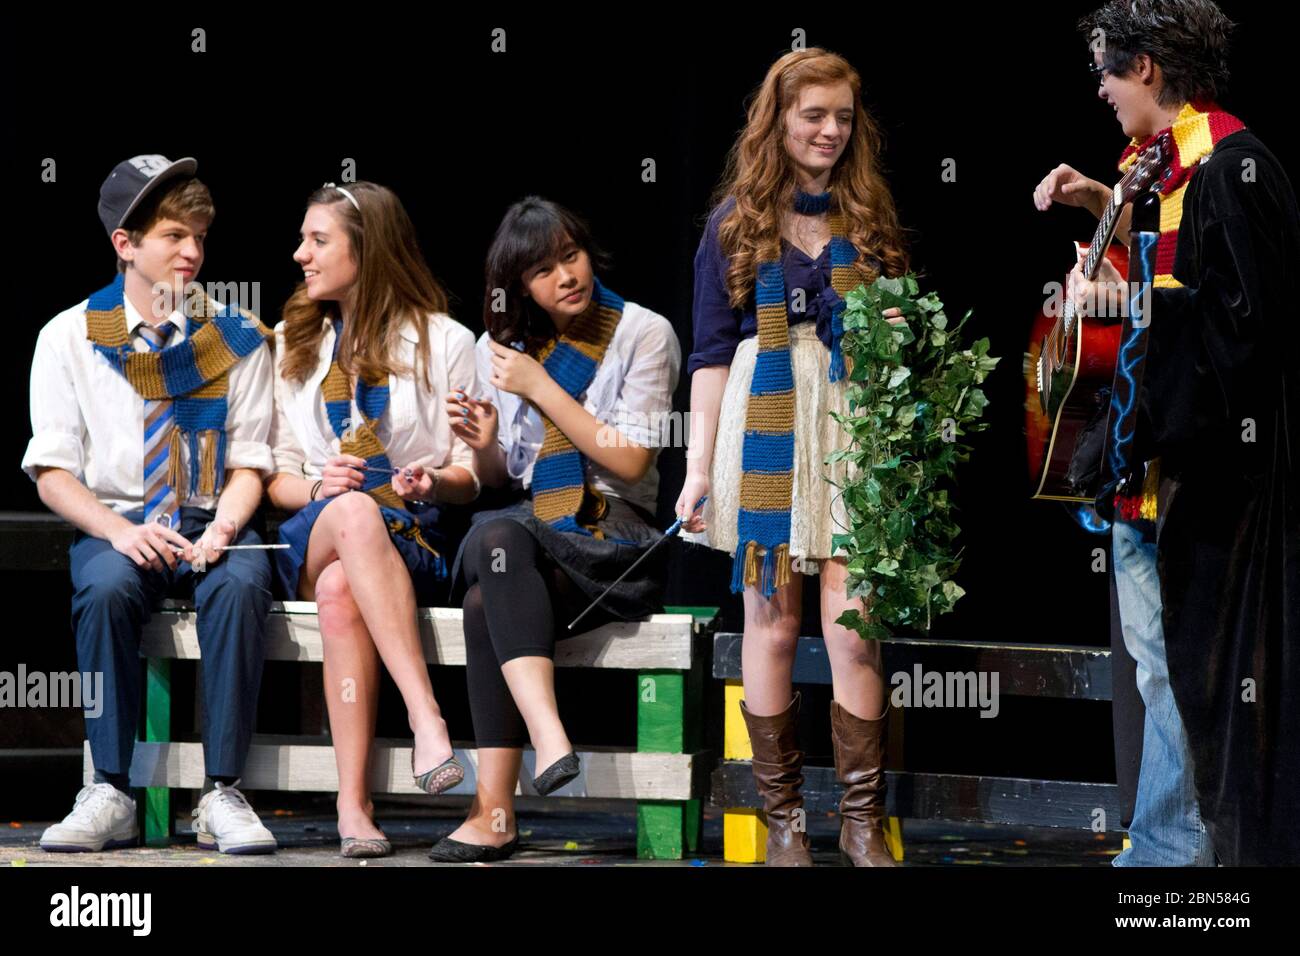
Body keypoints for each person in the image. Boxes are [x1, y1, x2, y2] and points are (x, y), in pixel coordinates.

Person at [1065, 0, 1300, 866]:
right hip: (1143, 460)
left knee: (1186, 669)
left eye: (1107, 71)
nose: (1101, 90)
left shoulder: (1233, 168)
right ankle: (1167, 845)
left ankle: (1173, 856)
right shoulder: (1152, 169)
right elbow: (1169, 275)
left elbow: (1243, 332)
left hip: (1201, 476)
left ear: (1149, 71)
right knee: (1158, 665)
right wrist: (1101, 208)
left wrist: (1123, 303)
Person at [676, 49, 910, 866]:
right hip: (763, 417)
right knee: (771, 628)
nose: (831, 131)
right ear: (778, 120)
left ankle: (858, 821)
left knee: (855, 627)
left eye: (843, 117)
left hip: (848, 422)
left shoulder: (869, 214)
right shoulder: (735, 222)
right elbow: (708, 355)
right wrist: (698, 469)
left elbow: (899, 336)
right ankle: (784, 825)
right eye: (814, 115)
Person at [24, 155, 279, 854]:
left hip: (210, 519)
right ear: (125, 244)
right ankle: (111, 788)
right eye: (173, 235)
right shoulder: (68, 337)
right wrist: (120, 531)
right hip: (118, 523)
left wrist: (225, 525)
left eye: (199, 236)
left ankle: (224, 791)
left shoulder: (236, 335)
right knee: (104, 589)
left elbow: (251, 462)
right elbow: (51, 471)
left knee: (242, 584)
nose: (192, 252)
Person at [427, 196, 680, 862]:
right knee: (492, 570)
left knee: (494, 549)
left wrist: (540, 388)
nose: (566, 276)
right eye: (543, 269)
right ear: (518, 289)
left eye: (571, 255)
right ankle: (549, 741)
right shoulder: (501, 350)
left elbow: (629, 457)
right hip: (536, 537)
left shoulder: (642, 331)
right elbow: (502, 475)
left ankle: (496, 809)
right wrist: (481, 444)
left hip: (613, 540)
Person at [265, 181, 481, 858]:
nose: (301, 253)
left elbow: (472, 475)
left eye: (318, 240)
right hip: (311, 533)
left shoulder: (445, 341)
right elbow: (274, 479)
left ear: (368, 248)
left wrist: (430, 481)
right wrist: (314, 483)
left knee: (341, 590)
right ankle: (426, 714)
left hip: (408, 539)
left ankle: (353, 808)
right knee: (351, 508)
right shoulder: (292, 344)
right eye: (304, 239)